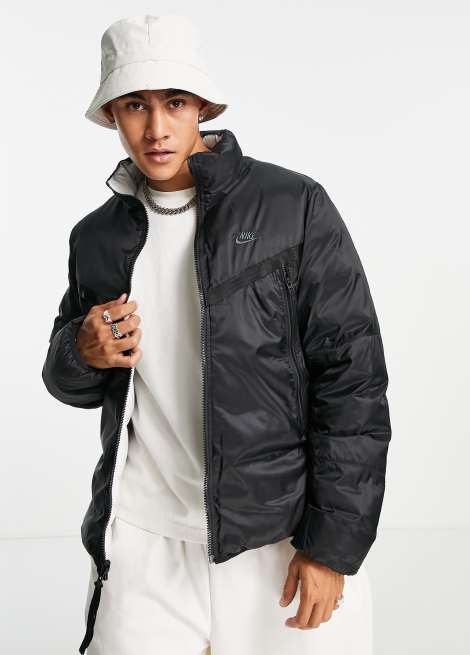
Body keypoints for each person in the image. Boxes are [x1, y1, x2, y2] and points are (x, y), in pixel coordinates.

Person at [42, 13, 392, 655]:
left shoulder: (292, 206)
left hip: (277, 539)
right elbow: (70, 381)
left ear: (201, 105)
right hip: (144, 540)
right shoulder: (97, 236)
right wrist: (80, 352)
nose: (156, 127)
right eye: (135, 105)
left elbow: (353, 379)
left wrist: (333, 546)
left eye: (174, 102)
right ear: (112, 114)